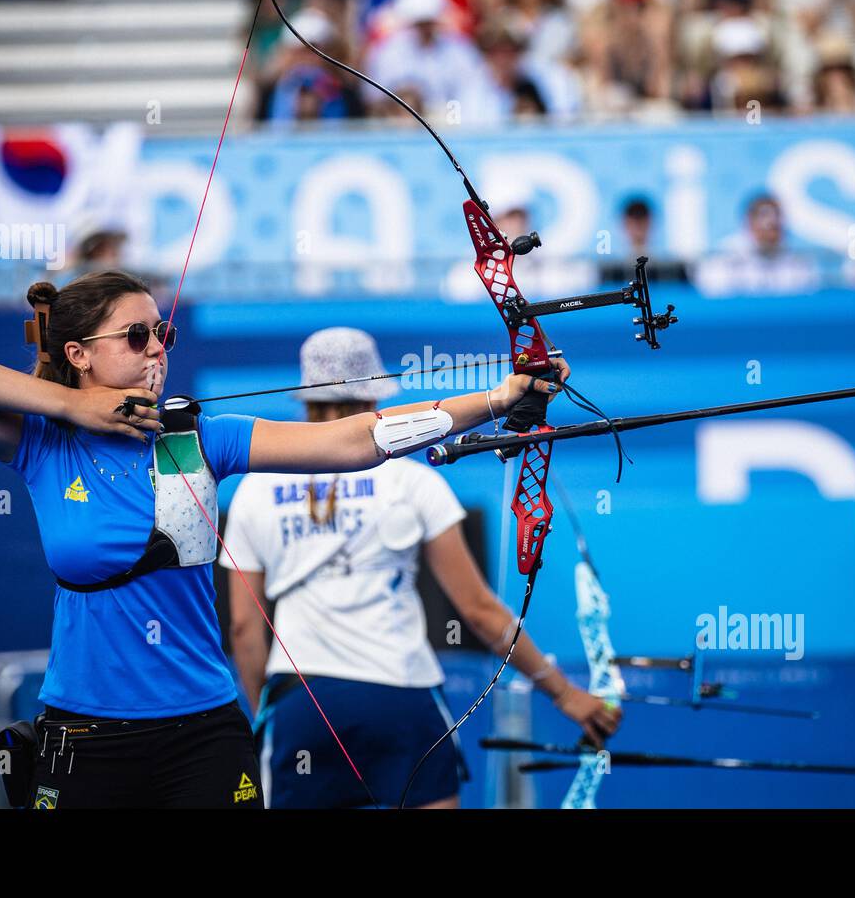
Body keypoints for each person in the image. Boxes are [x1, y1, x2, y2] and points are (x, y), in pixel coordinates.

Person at [0, 270, 568, 808]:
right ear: (78, 355)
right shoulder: (43, 447)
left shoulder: (196, 440)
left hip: (204, 732)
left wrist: (498, 398)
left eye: (160, 332)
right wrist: (73, 407)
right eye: (135, 337)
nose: (158, 348)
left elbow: (356, 439)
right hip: (84, 729)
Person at [223, 328, 621, 808]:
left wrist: (268, 710)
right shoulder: (412, 480)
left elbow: (245, 628)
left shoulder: (254, 490)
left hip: (301, 700)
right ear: (373, 394)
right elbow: (478, 611)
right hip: (400, 697)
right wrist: (563, 694)